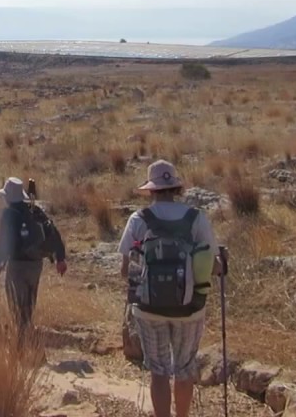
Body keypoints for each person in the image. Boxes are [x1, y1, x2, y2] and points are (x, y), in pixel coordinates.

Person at [119, 160, 220, 417]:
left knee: (159, 371)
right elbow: (213, 265)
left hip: (148, 308)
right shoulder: (196, 218)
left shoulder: (138, 219)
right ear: (175, 187)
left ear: (151, 190)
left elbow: (125, 270)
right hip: (190, 308)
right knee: (184, 369)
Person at [0, 177, 68, 340]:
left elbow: (4, 241)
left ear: (8, 196)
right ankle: (28, 339)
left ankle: (23, 345)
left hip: (18, 266)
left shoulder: (9, 214)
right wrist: (60, 258)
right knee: (28, 306)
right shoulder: (35, 210)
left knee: (17, 309)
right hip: (36, 265)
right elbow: (53, 232)